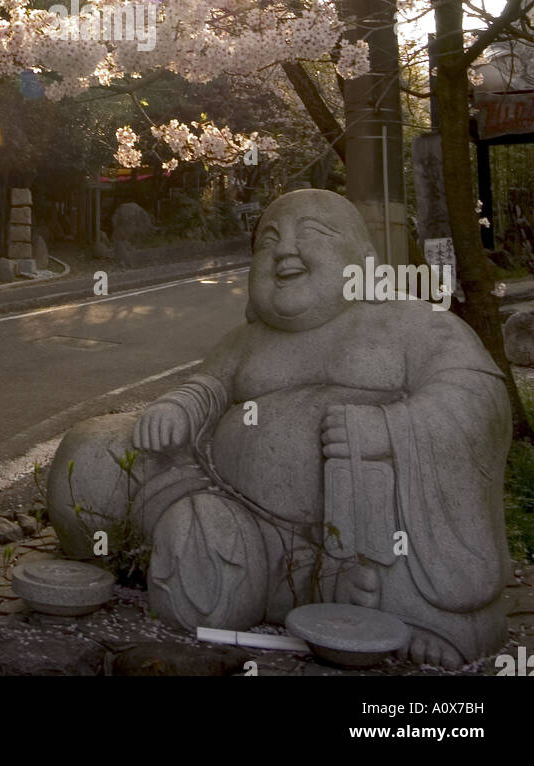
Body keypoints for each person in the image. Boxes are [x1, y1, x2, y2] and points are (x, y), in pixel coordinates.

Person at [48, 190, 512, 667]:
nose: (285, 250)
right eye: (269, 241)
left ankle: (408, 609)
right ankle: (270, 583)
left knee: (386, 504)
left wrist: (390, 429)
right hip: (241, 509)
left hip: (363, 519)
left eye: (310, 233)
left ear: (366, 260)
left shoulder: (411, 324)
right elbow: (206, 386)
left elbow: (477, 399)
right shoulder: (246, 341)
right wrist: (178, 408)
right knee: (152, 508)